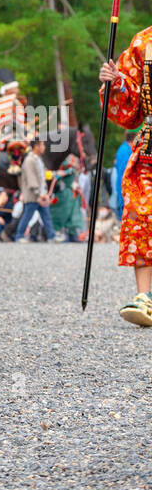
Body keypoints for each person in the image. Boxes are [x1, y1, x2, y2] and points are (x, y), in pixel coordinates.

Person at [100, 32, 152, 324]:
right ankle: (144, 297)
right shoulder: (144, 43)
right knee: (142, 216)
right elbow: (131, 111)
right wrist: (117, 81)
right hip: (149, 148)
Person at [14, 138, 54, 242]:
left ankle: (51, 236)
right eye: (42, 145)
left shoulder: (38, 159)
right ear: (36, 146)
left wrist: (44, 193)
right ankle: (19, 236)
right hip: (33, 195)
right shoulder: (29, 160)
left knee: (46, 216)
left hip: (41, 194)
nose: (44, 147)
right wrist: (39, 194)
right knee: (27, 216)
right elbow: (31, 179)